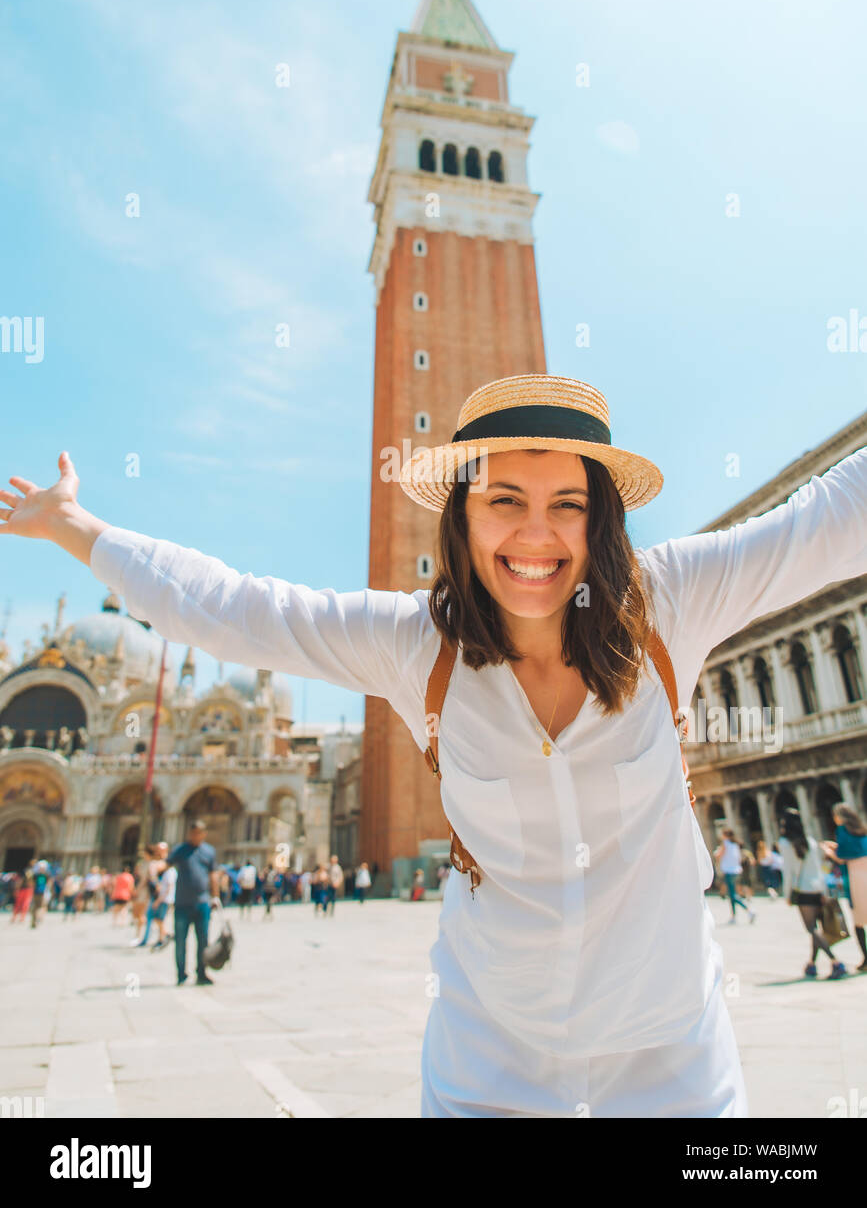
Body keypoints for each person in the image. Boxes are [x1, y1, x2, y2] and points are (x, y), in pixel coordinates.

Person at [2, 376, 865, 1118]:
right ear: (460, 518)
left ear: (599, 521)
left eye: (567, 505)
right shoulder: (412, 646)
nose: (535, 537)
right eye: (504, 502)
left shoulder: (671, 603)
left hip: (676, 1068)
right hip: (488, 1072)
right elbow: (234, 607)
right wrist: (78, 528)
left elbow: (831, 516)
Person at [778, 808, 845, 980]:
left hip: (802, 891)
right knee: (816, 929)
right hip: (817, 888)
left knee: (811, 929)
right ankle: (811, 964)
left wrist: (787, 895)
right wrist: (824, 890)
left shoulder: (785, 844)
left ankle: (835, 962)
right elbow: (818, 868)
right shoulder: (810, 841)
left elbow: (788, 872)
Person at [167, 819, 220, 985]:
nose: (195, 836)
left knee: (203, 940)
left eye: (198, 833)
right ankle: (181, 974)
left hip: (202, 903)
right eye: (192, 833)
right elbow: (166, 864)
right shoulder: (180, 850)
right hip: (182, 903)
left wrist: (216, 896)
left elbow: (213, 874)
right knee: (181, 941)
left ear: (204, 834)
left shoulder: (209, 851)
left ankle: (202, 973)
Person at [822, 804, 867, 973]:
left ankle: (866, 959)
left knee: (859, 922)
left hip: (856, 877)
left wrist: (828, 850)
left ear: (840, 816)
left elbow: (841, 857)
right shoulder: (861, 829)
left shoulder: (842, 830)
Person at [713, 830, 756, 925]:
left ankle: (749, 910)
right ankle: (733, 916)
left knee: (732, 895)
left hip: (728, 871)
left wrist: (716, 853)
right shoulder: (735, 844)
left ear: (726, 835)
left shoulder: (725, 843)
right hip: (736, 870)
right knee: (732, 894)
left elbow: (718, 855)